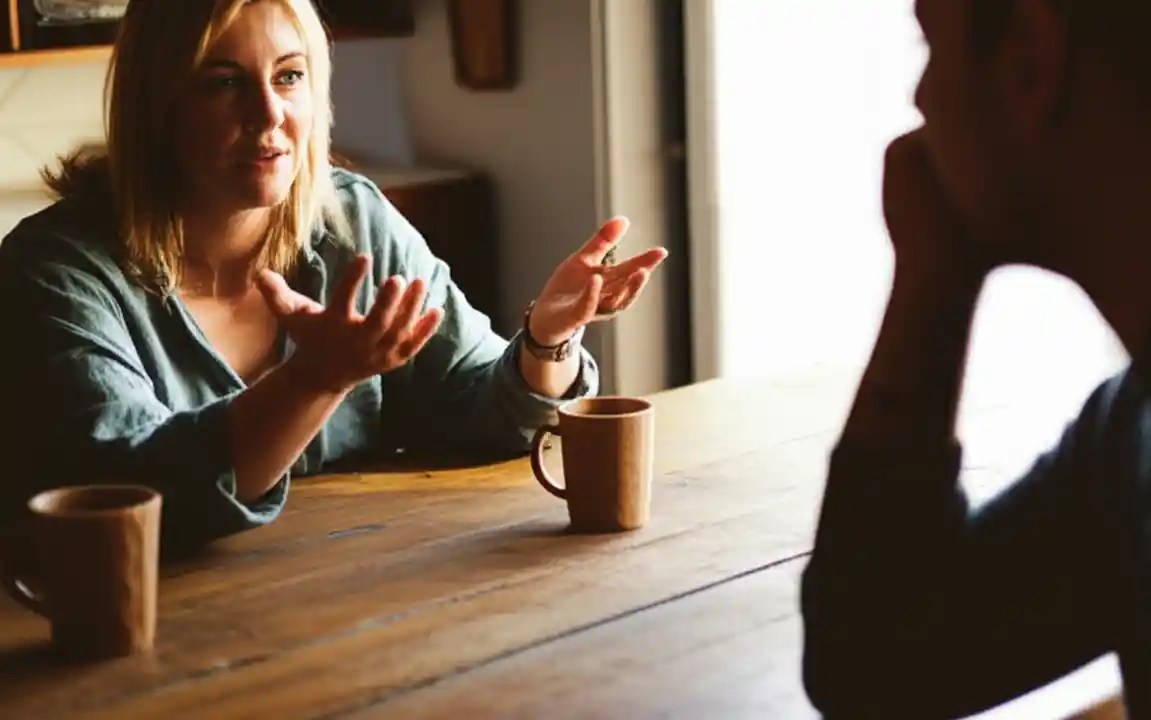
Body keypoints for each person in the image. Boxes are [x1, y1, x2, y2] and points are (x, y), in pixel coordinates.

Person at [0, 0, 667, 550]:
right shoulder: (57, 271)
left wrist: (548, 337)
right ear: (157, 106)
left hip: (343, 602)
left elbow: (486, 409)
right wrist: (312, 381)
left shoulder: (352, 221)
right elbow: (135, 497)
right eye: (223, 82)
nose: (268, 115)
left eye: (289, 77)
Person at [802, 0, 1151, 717]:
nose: (920, 101)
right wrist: (932, 281)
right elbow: (875, 662)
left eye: (930, 49)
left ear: (1032, 56)